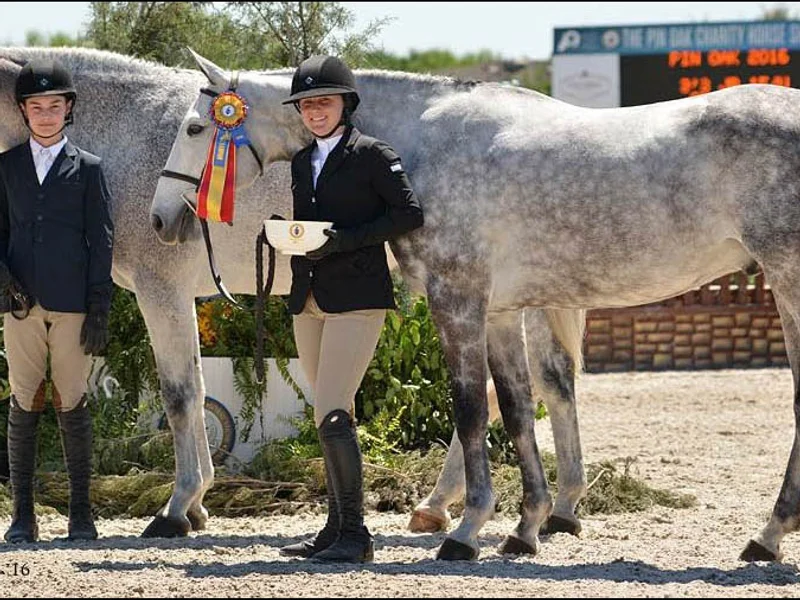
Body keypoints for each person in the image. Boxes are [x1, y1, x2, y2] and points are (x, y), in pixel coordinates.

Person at [278, 55, 423, 563]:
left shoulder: (372, 156)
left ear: (346, 103)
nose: (315, 112)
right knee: (328, 415)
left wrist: (345, 241)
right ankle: (334, 527)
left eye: (324, 102)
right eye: (307, 104)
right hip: (309, 299)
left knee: (333, 410)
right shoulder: (301, 162)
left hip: (358, 299)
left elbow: (408, 213)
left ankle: (357, 535)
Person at [0, 58, 114, 543]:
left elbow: (102, 240)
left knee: (72, 402)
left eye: (54, 106)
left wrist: (100, 305)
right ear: (23, 112)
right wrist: (3, 281)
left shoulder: (88, 169)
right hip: (20, 304)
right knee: (24, 401)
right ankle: (23, 515)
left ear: (68, 109)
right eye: (36, 107)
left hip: (72, 305)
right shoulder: (5, 166)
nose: (45, 115)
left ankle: (81, 513)